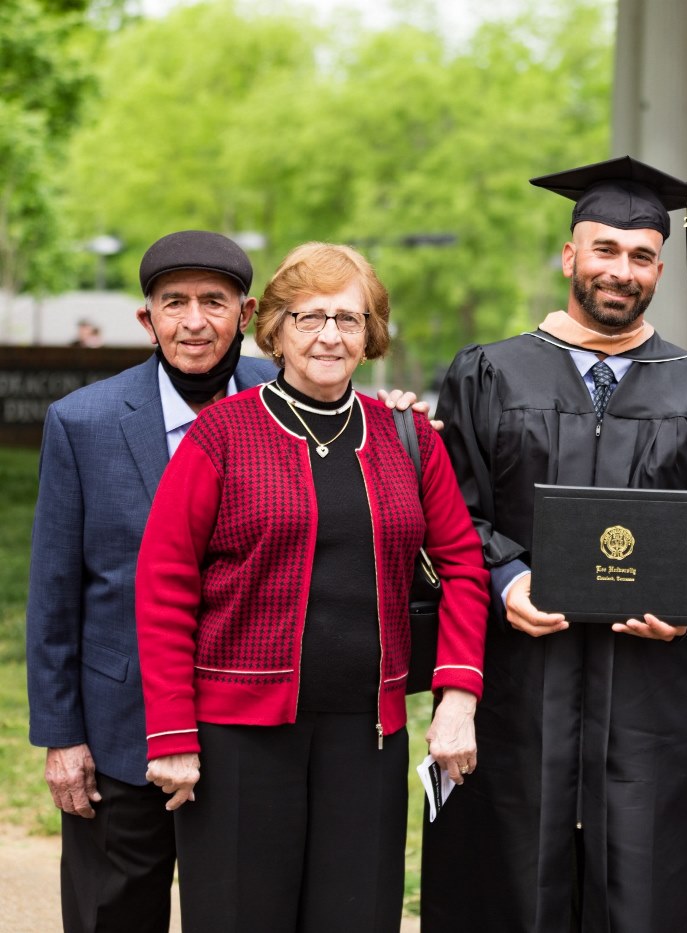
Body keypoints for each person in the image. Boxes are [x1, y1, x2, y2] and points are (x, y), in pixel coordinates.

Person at [420, 156, 687, 933]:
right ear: (569, 256)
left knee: (642, 885)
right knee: (510, 873)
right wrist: (505, 577)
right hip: (521, 678)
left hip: (648, 685)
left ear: (660, 265)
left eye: (642, 255)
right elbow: (450, 510)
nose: (622, 271)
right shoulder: (491, 373)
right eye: (605, 250)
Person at [134, 241, 490, 933]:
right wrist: (172, 732)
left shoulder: (407, 435)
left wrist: (457, 696)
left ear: (370, 333)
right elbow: (164, 584)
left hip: (369, 738)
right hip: (238, 737)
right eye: (310, 317)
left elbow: (464, 568)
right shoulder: (221, 434)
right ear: (274, 328)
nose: (330, 335)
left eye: (349, 319)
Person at [27, 231, 278, 932]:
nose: (193, 321)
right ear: (147, 318)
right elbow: (54, 593)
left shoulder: (289, 402)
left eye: (213, 302)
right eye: (174, 303)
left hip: (252, 725)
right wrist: (63, 736)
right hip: (119, 729)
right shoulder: (83, 422)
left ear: (247, 312)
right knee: (114, 913)